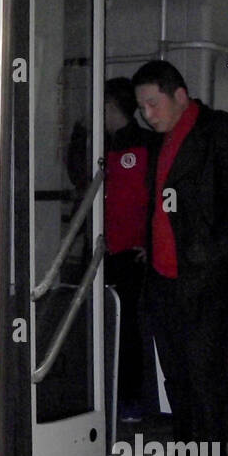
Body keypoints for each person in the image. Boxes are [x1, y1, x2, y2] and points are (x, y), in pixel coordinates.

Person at [133, 60, 228, 456]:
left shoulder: (217, 133)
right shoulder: (163, 139)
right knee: (179, 376)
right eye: (142, 106)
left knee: (204, 379)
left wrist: (208, 258)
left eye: (153, 102)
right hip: (166, 278)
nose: (148, 112)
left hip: (202, 279)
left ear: (179, 95)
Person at [100, 79, 160, 421]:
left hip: (134, 254)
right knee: (111, 327)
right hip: (109, 250)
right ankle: (115, 396)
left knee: (131, 331)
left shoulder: (146, 146)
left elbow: (153, 200)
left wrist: (150, 241)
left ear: (112, 106)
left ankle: (133, 399)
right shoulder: (105, 144)